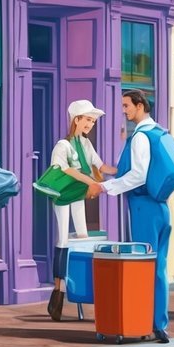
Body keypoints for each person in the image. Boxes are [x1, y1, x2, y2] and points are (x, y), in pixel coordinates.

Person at [87, 89, 170, 343]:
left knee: (144, 267)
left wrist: (105, 187)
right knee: (160, 267)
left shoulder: (141, 137)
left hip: (143, 206)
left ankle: (146, 323)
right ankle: (158, 322)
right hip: (161, 208)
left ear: (140, 105)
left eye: (126, 106)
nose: (123, 110)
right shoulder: (160, 132)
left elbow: (138, 175)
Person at [45, 100, 118, 321]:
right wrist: (89, 181)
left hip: (78, 196)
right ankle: (58, 289)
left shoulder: (86, 145)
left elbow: (101, 166)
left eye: (93, 121)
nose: (90, 124)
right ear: (76, 119)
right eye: (88, 119)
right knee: (63, 241)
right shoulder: (63, 145)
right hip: (63, 196)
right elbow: (63, 169)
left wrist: (125, 171)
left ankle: (79, 287)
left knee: (83, 237)